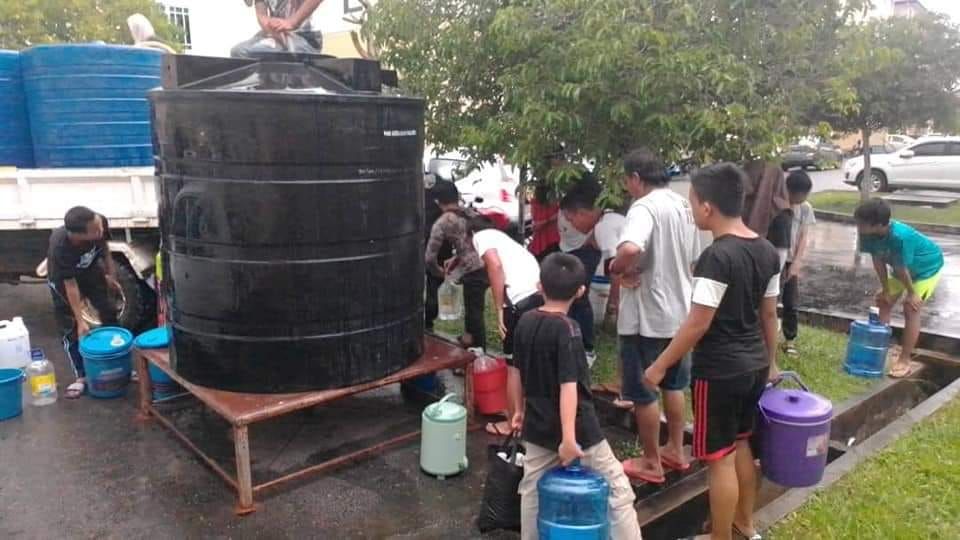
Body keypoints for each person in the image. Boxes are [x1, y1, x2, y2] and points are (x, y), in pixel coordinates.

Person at [644, 164, 781, 540]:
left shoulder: (716, 258)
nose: (690, 211)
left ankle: (720, 537)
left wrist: (658, 367)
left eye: (692, 203)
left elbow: (697, 323)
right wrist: (771, 364)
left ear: (707, 208)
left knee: (717, 459)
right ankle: (745, 526)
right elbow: (769, 314)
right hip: (754, 365)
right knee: (740, 446)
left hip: (719, 372)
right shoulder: (767, 250)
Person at [508, 253, 641, 540]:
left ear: (539, 286)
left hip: (536, 424)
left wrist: (517, 410)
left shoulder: (525, 321)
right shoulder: (569, 329)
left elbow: (515, 371)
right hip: (580, 430)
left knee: (532, 490)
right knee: (618, 490)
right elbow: (569, 386)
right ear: (581, 292)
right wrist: (568, 439)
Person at [608, 149, 699, 484]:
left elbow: (630, 247)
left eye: (626, 180)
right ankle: (675, 449)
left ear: (635, 178)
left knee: (644, 390)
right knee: (674, 384)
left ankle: (650, 462)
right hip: (680, 313)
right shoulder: (682, 206)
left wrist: (618, 269)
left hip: (646, 316)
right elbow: (691, 260)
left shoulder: (643, 207)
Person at [855, 199, 944, 378]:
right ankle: (879, 349)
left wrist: (912, 294)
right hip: (902, 270)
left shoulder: (900, 237)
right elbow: (878, 260)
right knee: (883, 301)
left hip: (927, 269)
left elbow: (901, 268)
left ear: (879, 224)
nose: (858, 226)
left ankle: (904, 359)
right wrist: (885, 289)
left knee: (911, 308)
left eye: (861, 223)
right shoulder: (867, 234)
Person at [471, 217, 543, 436]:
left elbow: (495, 265)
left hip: (519, 305)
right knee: (532, 362)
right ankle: (527, 415)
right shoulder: (508, 243)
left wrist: (499, 307)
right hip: (540, 299)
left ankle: (513, 424)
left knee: (514, 367)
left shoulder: (480, 236)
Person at [47, 207, 121, 399]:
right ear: (78, 235)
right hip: (64, 282)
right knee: (72, 328)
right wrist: (81, 320)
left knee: (108, 311)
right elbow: (70, 285)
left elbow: (105, 249)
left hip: (90, 272)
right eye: (95, 230)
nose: (100, 231)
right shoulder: (60, 246)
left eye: (100, 226)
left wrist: (110, 274)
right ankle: (81, 377)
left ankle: (118, 363)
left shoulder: (98, 222)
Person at [558, 190, 626, 366]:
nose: (572, 226)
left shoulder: (604, 227)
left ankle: (588, 351)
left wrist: (613, 301)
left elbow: (615, 267)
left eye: (572, 220)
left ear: (582, 213)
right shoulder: (608, 220)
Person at [424, 181, 488, 350]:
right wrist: (457, 258)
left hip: (474, 270)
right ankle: (471, 345)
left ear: (438, 202)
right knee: (474, 312)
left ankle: (478, 357)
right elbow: (470, 244)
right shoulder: (470, 213)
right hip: (488, 263)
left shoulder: (443, 222)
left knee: (474, 315)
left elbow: (430, 257)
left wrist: (438, 272)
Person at [557, 176, 603, 366]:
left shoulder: (601, 221)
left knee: (580, 297)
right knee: (566, 295)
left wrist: (593, 236)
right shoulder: (566, 197)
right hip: (565, 249)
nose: (568, 218)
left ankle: (587, 348)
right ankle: (568, 339)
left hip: (585, 251)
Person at [780, 171, 816, 355]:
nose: (802, 200)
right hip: (774, 259)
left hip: (790, 261)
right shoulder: (778, 205)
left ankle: (789, 339)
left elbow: (803, 236)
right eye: (800, 196)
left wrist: (797, 262)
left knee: (791, 302)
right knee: (768, 301)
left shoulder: (804, 208)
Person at [231, 0, 324, 58]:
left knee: (271, 55)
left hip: (305, 36)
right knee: (239, 52)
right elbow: (262, 16)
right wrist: (270, 27)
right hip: (275, 35)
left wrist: (293, 22)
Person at [528, 184, 561, 262]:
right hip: (552, 239)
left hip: (541, 240)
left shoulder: (535, 202)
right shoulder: (555, 203)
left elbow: (535, 222)